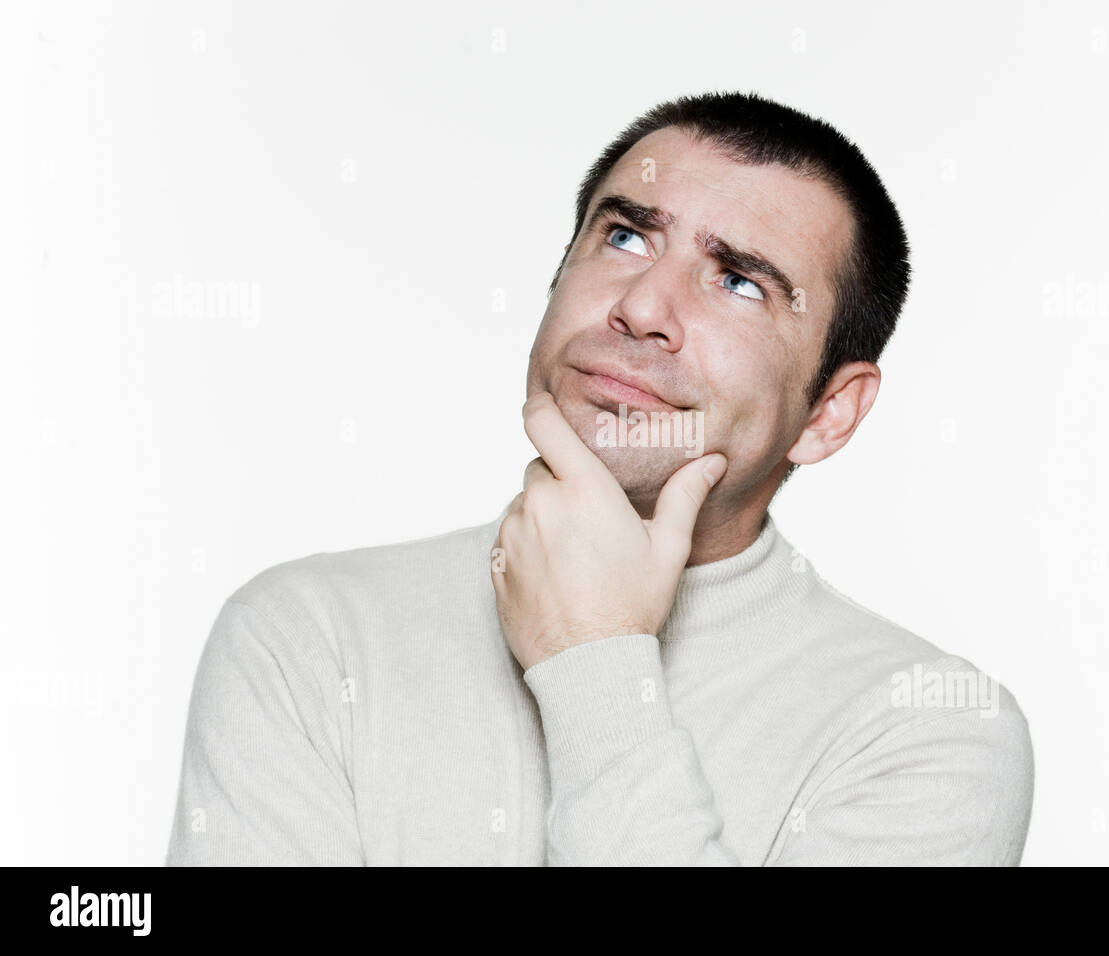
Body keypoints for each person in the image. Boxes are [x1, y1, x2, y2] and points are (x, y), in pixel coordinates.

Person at [165, 91, 1034, 866]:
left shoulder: (930, 732)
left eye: (737, 282)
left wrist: (593, 662)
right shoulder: (307, 639)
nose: (644, 308)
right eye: (625, 236)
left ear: (828, 414)